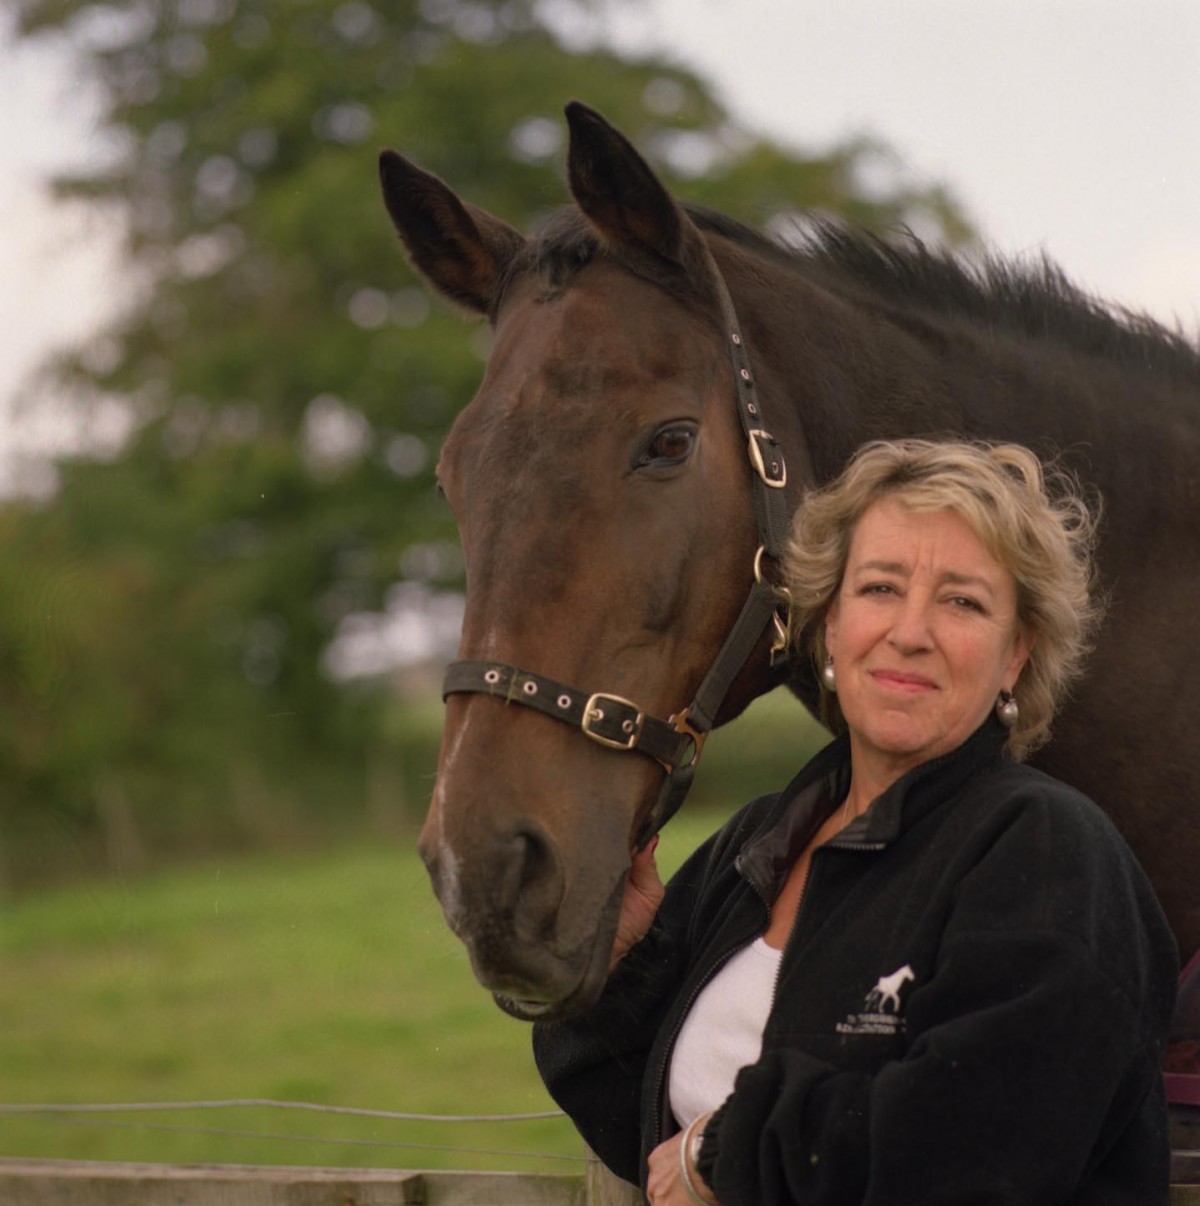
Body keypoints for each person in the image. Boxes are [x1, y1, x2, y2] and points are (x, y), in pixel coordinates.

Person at [533, 439, 1179, 1206]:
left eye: (962, 601)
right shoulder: (761, 841)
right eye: (879, 588)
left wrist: (724, 1151)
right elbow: (638, 1131)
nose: (911, 631)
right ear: (830, 627)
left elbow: (979, 1150)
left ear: (1015, 655)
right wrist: (621, 971)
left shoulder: (1047, 852)